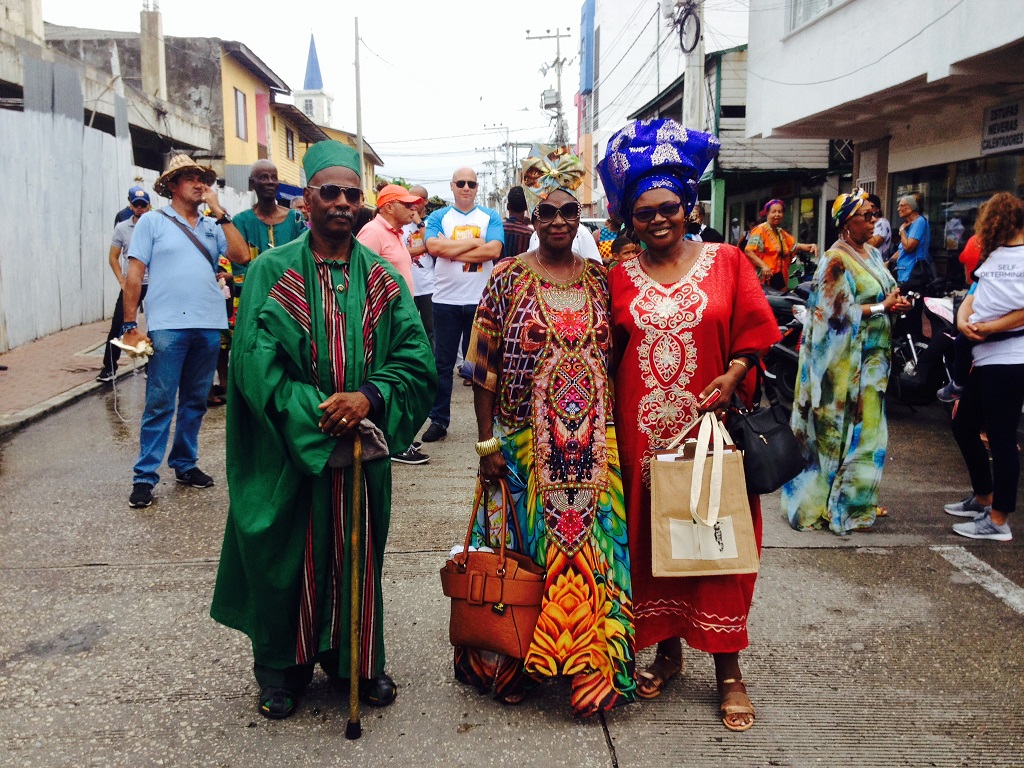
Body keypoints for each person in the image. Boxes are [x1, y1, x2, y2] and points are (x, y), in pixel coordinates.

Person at [210, 140, 436, 719]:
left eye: (350, 194)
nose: (340, 202)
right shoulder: (269, 271)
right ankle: (281, 669)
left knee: (357, 554)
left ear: (362, 204)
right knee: (286, 555)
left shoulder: (383, 277)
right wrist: (320, 414)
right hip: (291, 450)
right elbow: (254, 364)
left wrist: (369, 397)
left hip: (363, 449)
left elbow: (415, 356)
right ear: (305, 198)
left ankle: (353, 664)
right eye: (328, 192)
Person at [598, 118, 781, 732]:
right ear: (629, 218)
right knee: (652, 547)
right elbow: (600, 352)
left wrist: (734, 375)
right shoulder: (618, 276)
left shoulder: (728, 262)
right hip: (642, 439)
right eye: (643, 212)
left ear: (688, 206)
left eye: (668, 208)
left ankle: (729, 671)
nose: (656, 220)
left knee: (716, 545)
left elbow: (756, 334)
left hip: (712, 435)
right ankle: (667, 651)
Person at [458, 156, 636, 717]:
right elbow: (482, 366)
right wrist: (488, 445)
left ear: (580, 220)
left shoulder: (599, 280)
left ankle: (593, 671)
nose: (559, 221)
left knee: (597, 555)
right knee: (525, 553)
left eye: (569, 212)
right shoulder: (507, 278)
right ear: (532, 220)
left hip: (591, 446)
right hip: (523, 440)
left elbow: (619, 356)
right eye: (548, 213)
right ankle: (517, 660)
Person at [120, 156, 248, 508]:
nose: (198, 183)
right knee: (160, 403)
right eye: (189, 178)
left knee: (195, 400)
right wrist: (131, 325)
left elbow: (240, 256)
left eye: (201, 178)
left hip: (208, 323)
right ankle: (145, 476)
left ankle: (185, 463)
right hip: (167, 325)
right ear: (172, 186)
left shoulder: (211, 225)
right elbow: (134, 275)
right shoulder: (152, 223)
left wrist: (219, 210)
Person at [782, 189, 911, 534]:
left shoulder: (869, 252)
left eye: (873, 214)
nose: (873, 221)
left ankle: (855, 501)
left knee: (868, 433)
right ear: (845, 223)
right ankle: (828, 504)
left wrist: (895, 302)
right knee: (836, 434)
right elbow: (832, 315)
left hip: (873, 362)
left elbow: (883, 291)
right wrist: (883, 307)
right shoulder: (835, 260)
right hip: (842, 369)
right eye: (865, 216)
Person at [942, 192, 1024, 541]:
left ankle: (999, 520)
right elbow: (974, 296)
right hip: (984, 355)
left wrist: (987, 328)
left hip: (1009, 358)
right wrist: (963, 319)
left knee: (1002, 438)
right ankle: (982, 497)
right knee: (963, 424)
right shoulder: (994, 256)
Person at [420, 167, 504, 443]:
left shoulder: (490, 215)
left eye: (471, 183)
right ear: (452, 186)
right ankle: (439, 420)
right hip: (446, 300)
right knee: (442, 365)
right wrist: (475, 241)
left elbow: (494, 250)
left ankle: (490, 424)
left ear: (477, 187)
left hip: (482, 301)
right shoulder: (437, 216)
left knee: (483, 367)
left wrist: (452, 247)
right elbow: (433, 248)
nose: (466, 187)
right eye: (461, 183)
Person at [218, 160, 307, 403]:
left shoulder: (296, 220)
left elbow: (304, 258)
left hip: (292, 301)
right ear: (252, 184)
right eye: (263, 177)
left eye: (273, 177)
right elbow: (239, 264)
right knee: (254, 354)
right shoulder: (242, 221)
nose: (269, 182)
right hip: (254, 301)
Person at [97, 185, 151, 383]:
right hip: (132, 284)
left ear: (149, 206)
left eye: (143, 205)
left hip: (153, 284)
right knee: (118, 324)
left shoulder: (156, 225)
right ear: (130, 205)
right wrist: (121, 280)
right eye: (136, 205)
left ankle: (150, 366)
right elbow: (113, 256)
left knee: (154, 325)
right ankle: (109, 368)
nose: (140, 209)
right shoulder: (122, 228)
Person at [356, 183, 423, 294]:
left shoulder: (396, 233)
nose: (413, 209)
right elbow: (359, 280)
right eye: (407, 205)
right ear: (389, 208)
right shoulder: (373, 232)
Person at [744, 199, 817, 290]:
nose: (777, 215)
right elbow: (748, 250)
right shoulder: (760, 230)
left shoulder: (781, 233)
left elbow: (794, 246)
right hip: (764, 280)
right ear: (767, 214)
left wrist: (811, 246)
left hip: (779, 279)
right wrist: (763, 266)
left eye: (780, 212)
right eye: (773, 212)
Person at [403, 185, 434, 347]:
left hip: (429, 286)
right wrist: (425, 248)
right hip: (409, 285)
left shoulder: (432, 223)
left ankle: (433, 368)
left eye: (417, 199)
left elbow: (435, 246)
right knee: (411, 330)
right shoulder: (403, 224)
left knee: (431, 330)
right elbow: (401, 252)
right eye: (410, 199)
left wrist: (419, 223)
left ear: (426, 201)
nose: (413, 203)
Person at [890, 194, 931, 285]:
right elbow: (901, 250)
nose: (898, 209)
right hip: (903, 275)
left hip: (913, 274)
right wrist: (889, 262)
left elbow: (908, 247)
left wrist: (902, 230)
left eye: (902, 205)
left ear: (911, 207)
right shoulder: (909, 225)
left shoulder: (919, 222)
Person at [500, 185, 533, 260]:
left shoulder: (498, 230)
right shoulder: (530, 234)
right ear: (526, 207)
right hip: (522, 271)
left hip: (498, 271)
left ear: (508, 206)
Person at [865, 193, 892, 260]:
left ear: (877, 209)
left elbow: (873, 244)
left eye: (871, 206)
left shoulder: (882, 223)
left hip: (878, 264)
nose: (869, 209)